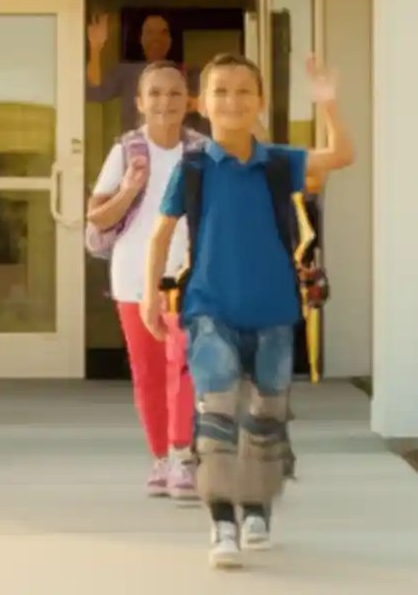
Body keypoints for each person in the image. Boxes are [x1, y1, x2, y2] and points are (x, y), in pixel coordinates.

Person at [142, 53, 354, 568]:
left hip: (275, 312)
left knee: (266, 418)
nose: (232, 101)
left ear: (259, 102)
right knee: (215, 418)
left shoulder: (279, 163)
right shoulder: (193, 168)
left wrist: (327, 103)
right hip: (209, 310)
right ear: (202, 103)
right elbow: (162, 233)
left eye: (243, 91)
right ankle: (221, 526)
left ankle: (257, 507)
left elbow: (341, 155)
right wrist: (151, 294)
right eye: (220, 91)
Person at [87, 61, 206, 500]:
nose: (165, 102)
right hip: (133, 275)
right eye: (154, 94)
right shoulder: (126, 152)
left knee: (184, 368)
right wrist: (130, 189)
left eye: (174, 94)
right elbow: (97, 216)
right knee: (149, 373)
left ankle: (182, 456)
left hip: (188, 276)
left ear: (189, 102)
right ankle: (161, 457)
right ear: (139, 102)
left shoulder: (203, 151)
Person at [86, 12, 210, 136]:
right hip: (137, 150)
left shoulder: (190, 72)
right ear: (141, 38)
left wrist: (190, 103)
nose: (157, 38)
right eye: (150, 32)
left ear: (170, 39)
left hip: (179, 151)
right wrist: (96, 47)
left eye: (163, 32)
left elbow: (209, 107)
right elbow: (95, 91)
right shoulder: (126, 72)